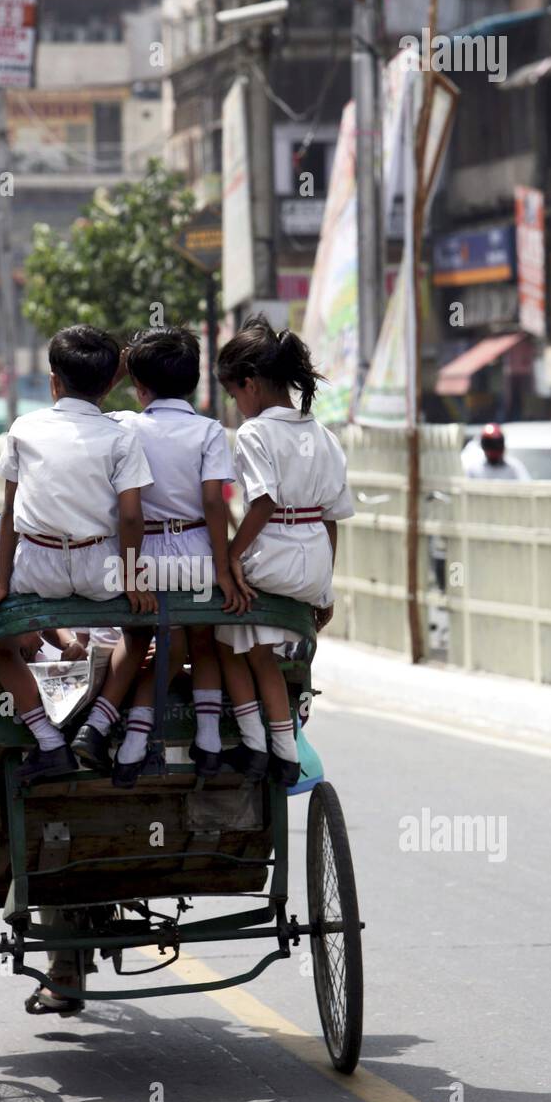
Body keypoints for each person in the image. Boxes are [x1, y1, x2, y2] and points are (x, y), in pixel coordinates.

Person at [0, 324, 156, 784]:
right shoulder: (120, 437)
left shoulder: (24, 429)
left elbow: (9, 513)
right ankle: (99, 725)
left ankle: (49, 741)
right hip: (102, 569)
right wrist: (134, 580)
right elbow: (132, 519)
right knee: (143, 631)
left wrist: (0, 585)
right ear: (107, 385)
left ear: (54, 381)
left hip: (39, 569)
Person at [72, 325, 245, 785]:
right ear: (191, 381)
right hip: (195, 553)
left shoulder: (125, 426)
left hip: (141, 555)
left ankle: (117, 732)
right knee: (202, 640)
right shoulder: (209, 430)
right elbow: (214, 502)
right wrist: (224, 563)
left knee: (141, 643)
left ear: (137, 383)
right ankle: (207, 739)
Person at [214, 315, 354, 786]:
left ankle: (261, 743)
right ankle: (281, 748)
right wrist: (324, 588)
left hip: (272, 559)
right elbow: (332, 519)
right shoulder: (324, 435)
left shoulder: (256, 434)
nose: (236, 406)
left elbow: (264, 501)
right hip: (313, 563)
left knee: (227, 639)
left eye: (233, 395)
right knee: (262, 648)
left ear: (250, 385)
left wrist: (231, 557)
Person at [464, 423, 531, 481]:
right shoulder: (474, 469)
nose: (493, 448)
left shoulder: (514, 468)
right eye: (489, 444)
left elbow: (527, 487)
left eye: (496, 444)